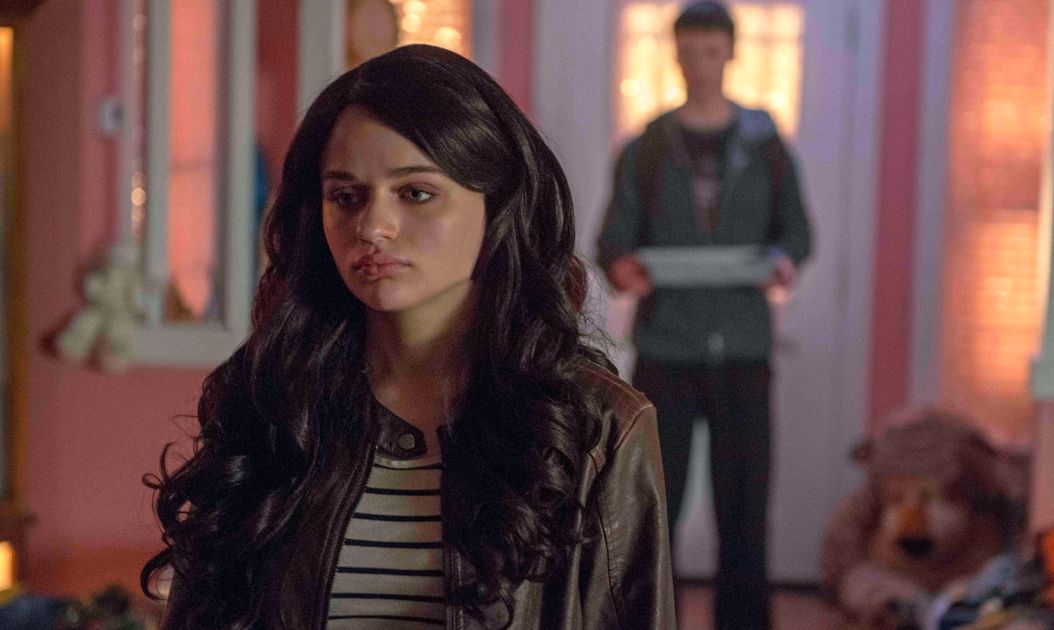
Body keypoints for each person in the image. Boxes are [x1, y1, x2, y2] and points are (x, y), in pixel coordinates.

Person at [142, 44, 675, 630]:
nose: (372, 227)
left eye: (416, 193)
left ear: (498, 205)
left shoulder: (594, 426)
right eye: (346, 197)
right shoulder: (271, 397)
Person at [596, 2, 812, 629]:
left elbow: (797, 233)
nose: (700, 64)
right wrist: (622, 269)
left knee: (745, 510)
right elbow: (614, 241)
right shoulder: (647, 147)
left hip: (744, 349)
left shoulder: (766, 145)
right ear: (675, 55)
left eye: (712, 51)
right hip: (666, 347)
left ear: (730, 53)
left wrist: (783, 262)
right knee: (653, 503)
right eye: (689, 51)